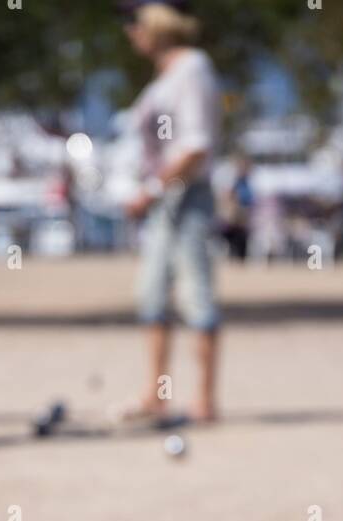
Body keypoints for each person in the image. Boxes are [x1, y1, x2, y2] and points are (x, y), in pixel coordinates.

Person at [122, 1, 221, 423]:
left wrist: (150, 189)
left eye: (133, 20)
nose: (128, 31)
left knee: (196, 295)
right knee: (151, 294)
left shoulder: (192, 68)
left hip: (187, 197)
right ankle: (157, 394)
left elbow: (195, 146)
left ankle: (204, 401)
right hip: (164, 202)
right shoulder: (164, 76)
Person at [220, 155, 254, 262]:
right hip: (234, 222)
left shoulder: (248, 182)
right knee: (232, 248)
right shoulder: (234, 182)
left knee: (241, 249)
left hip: (243, 222)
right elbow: (227, 199)